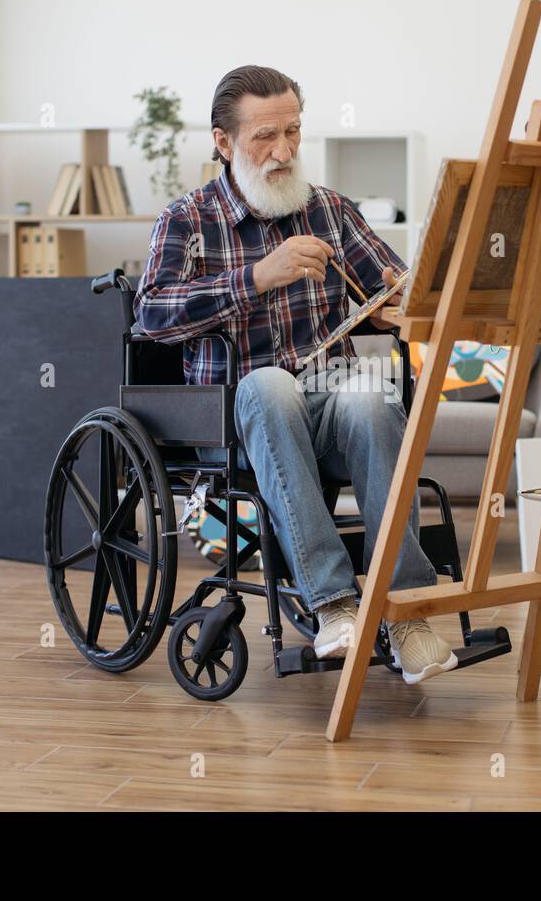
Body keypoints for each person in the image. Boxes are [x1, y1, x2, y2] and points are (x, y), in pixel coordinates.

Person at [134, 65, 457, 684]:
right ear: (223, 143)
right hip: (234, 416)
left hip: (327, 402)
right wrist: (256, 277)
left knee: (369, 392)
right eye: (264, 137)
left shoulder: (330, 211)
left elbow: (392, 287)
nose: (283, 152)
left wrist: (397, 309)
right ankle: (333, 602)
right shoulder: (187, 220)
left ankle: (406, 611)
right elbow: (150, 316)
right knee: (269, 384)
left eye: (293, 132)